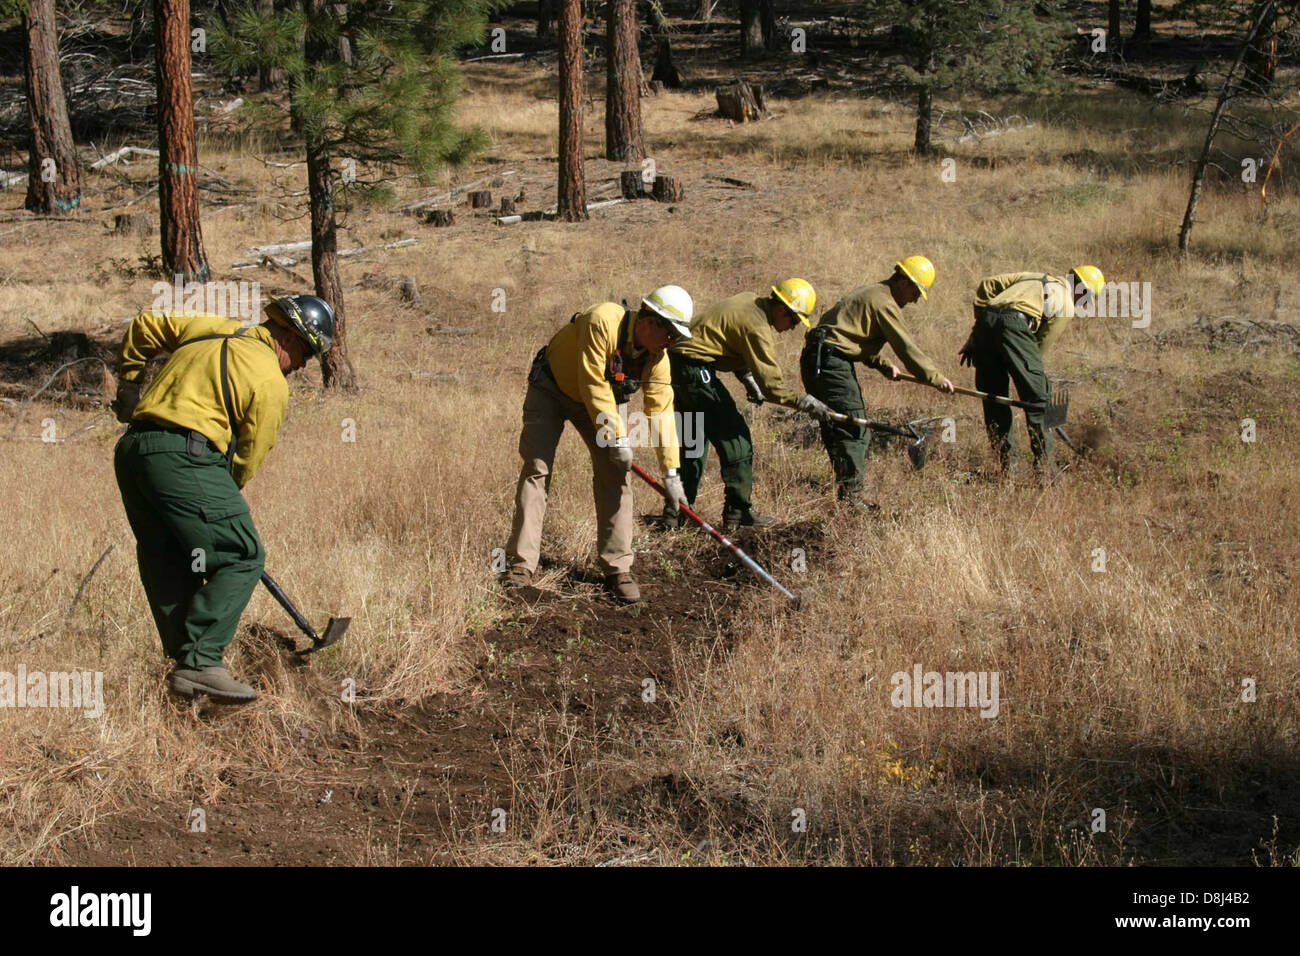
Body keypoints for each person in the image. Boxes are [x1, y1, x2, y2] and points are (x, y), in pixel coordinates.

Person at [112, 295, 335, 703]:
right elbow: (248, 458)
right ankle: (201, 664)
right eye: (306, 352)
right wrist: (217, 503)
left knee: (168, 559)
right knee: (241, 554)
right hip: (185, 458)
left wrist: (129, 384)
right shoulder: (270, 382)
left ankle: (184, 677)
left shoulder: (210, 326)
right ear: (287, 335)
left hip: (132, 453)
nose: (304, 365)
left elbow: (143, 325)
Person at [503, 286, 692, 603]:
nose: (672, 343)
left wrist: (671, 474)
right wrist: (618, 437)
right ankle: (521, 566)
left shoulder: (657, 358)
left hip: (595, 405)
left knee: (616, 474)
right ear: (652, 322)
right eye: (671, 334)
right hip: (550, 389)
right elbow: (592, 381)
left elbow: (661, 412)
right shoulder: (601, 320)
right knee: (537, 468)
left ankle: (618, 568)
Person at [665, 278, 831, 531]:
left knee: (693, 444)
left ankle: (676, 514)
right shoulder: (757, 326)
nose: (791, 328)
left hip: (677, 366)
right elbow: (773, 387)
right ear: (781, 310)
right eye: (794, 321)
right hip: (695, 371)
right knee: (736, 439)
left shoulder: (748, 299)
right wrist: (805, 402)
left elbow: (727, 338)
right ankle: (738, 511)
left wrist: (746, 378)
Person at [801, 256, 954, 507]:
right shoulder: (885, 303)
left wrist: (882, 365)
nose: (915, 299)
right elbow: (906, 347)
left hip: (817, 359)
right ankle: (852, 500)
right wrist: (934, 378)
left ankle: (846, 492)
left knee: (837, 426)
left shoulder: (872, 293)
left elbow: (851, 337)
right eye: (916, 292)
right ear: (904, 281)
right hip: (831, 363)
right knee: (855, 428)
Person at [959, 266, 1104, 472]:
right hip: (1016, 325)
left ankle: (1009, 467)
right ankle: (1047, 470)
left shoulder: (1031, 277)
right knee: (1038, 399)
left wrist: (978, 330)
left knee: (992, 397)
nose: (1085, 304)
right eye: (1088, 299)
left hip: (985, 322)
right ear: (1082, 291)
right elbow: (1039, 348)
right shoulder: (1066, 303)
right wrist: (1021, 367)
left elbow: (987, 285)